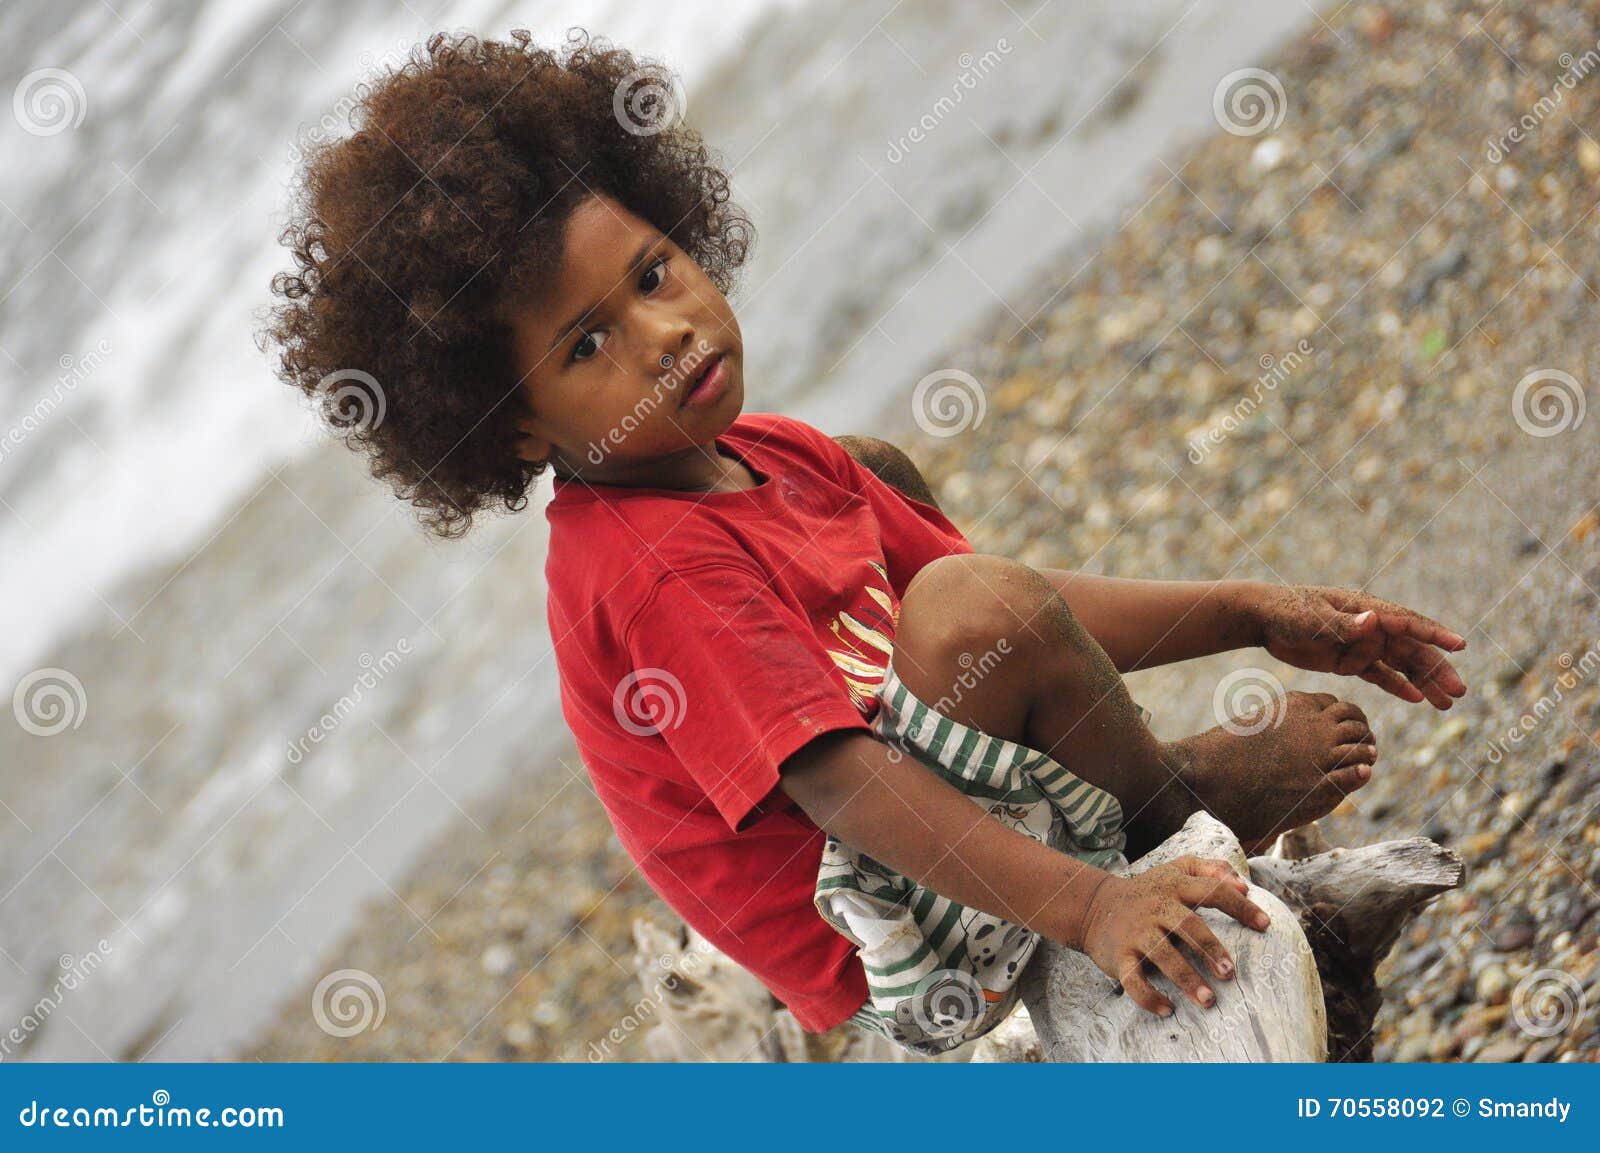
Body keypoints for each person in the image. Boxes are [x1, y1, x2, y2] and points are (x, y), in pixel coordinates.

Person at [263, 30, 1468, 1056]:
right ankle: (1169, 816)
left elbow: (1031, 607)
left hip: (930, 837)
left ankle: (1144, 789)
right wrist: (1097, 908)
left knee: (898, 507)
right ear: (511, 424)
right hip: (889, 958)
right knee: (963, 611)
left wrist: (1247, 611)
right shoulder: (644, 562)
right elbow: (839, 777)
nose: (660, 334)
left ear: (686, 232)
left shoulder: (767, 452)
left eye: (652, 273)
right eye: (584, 345)